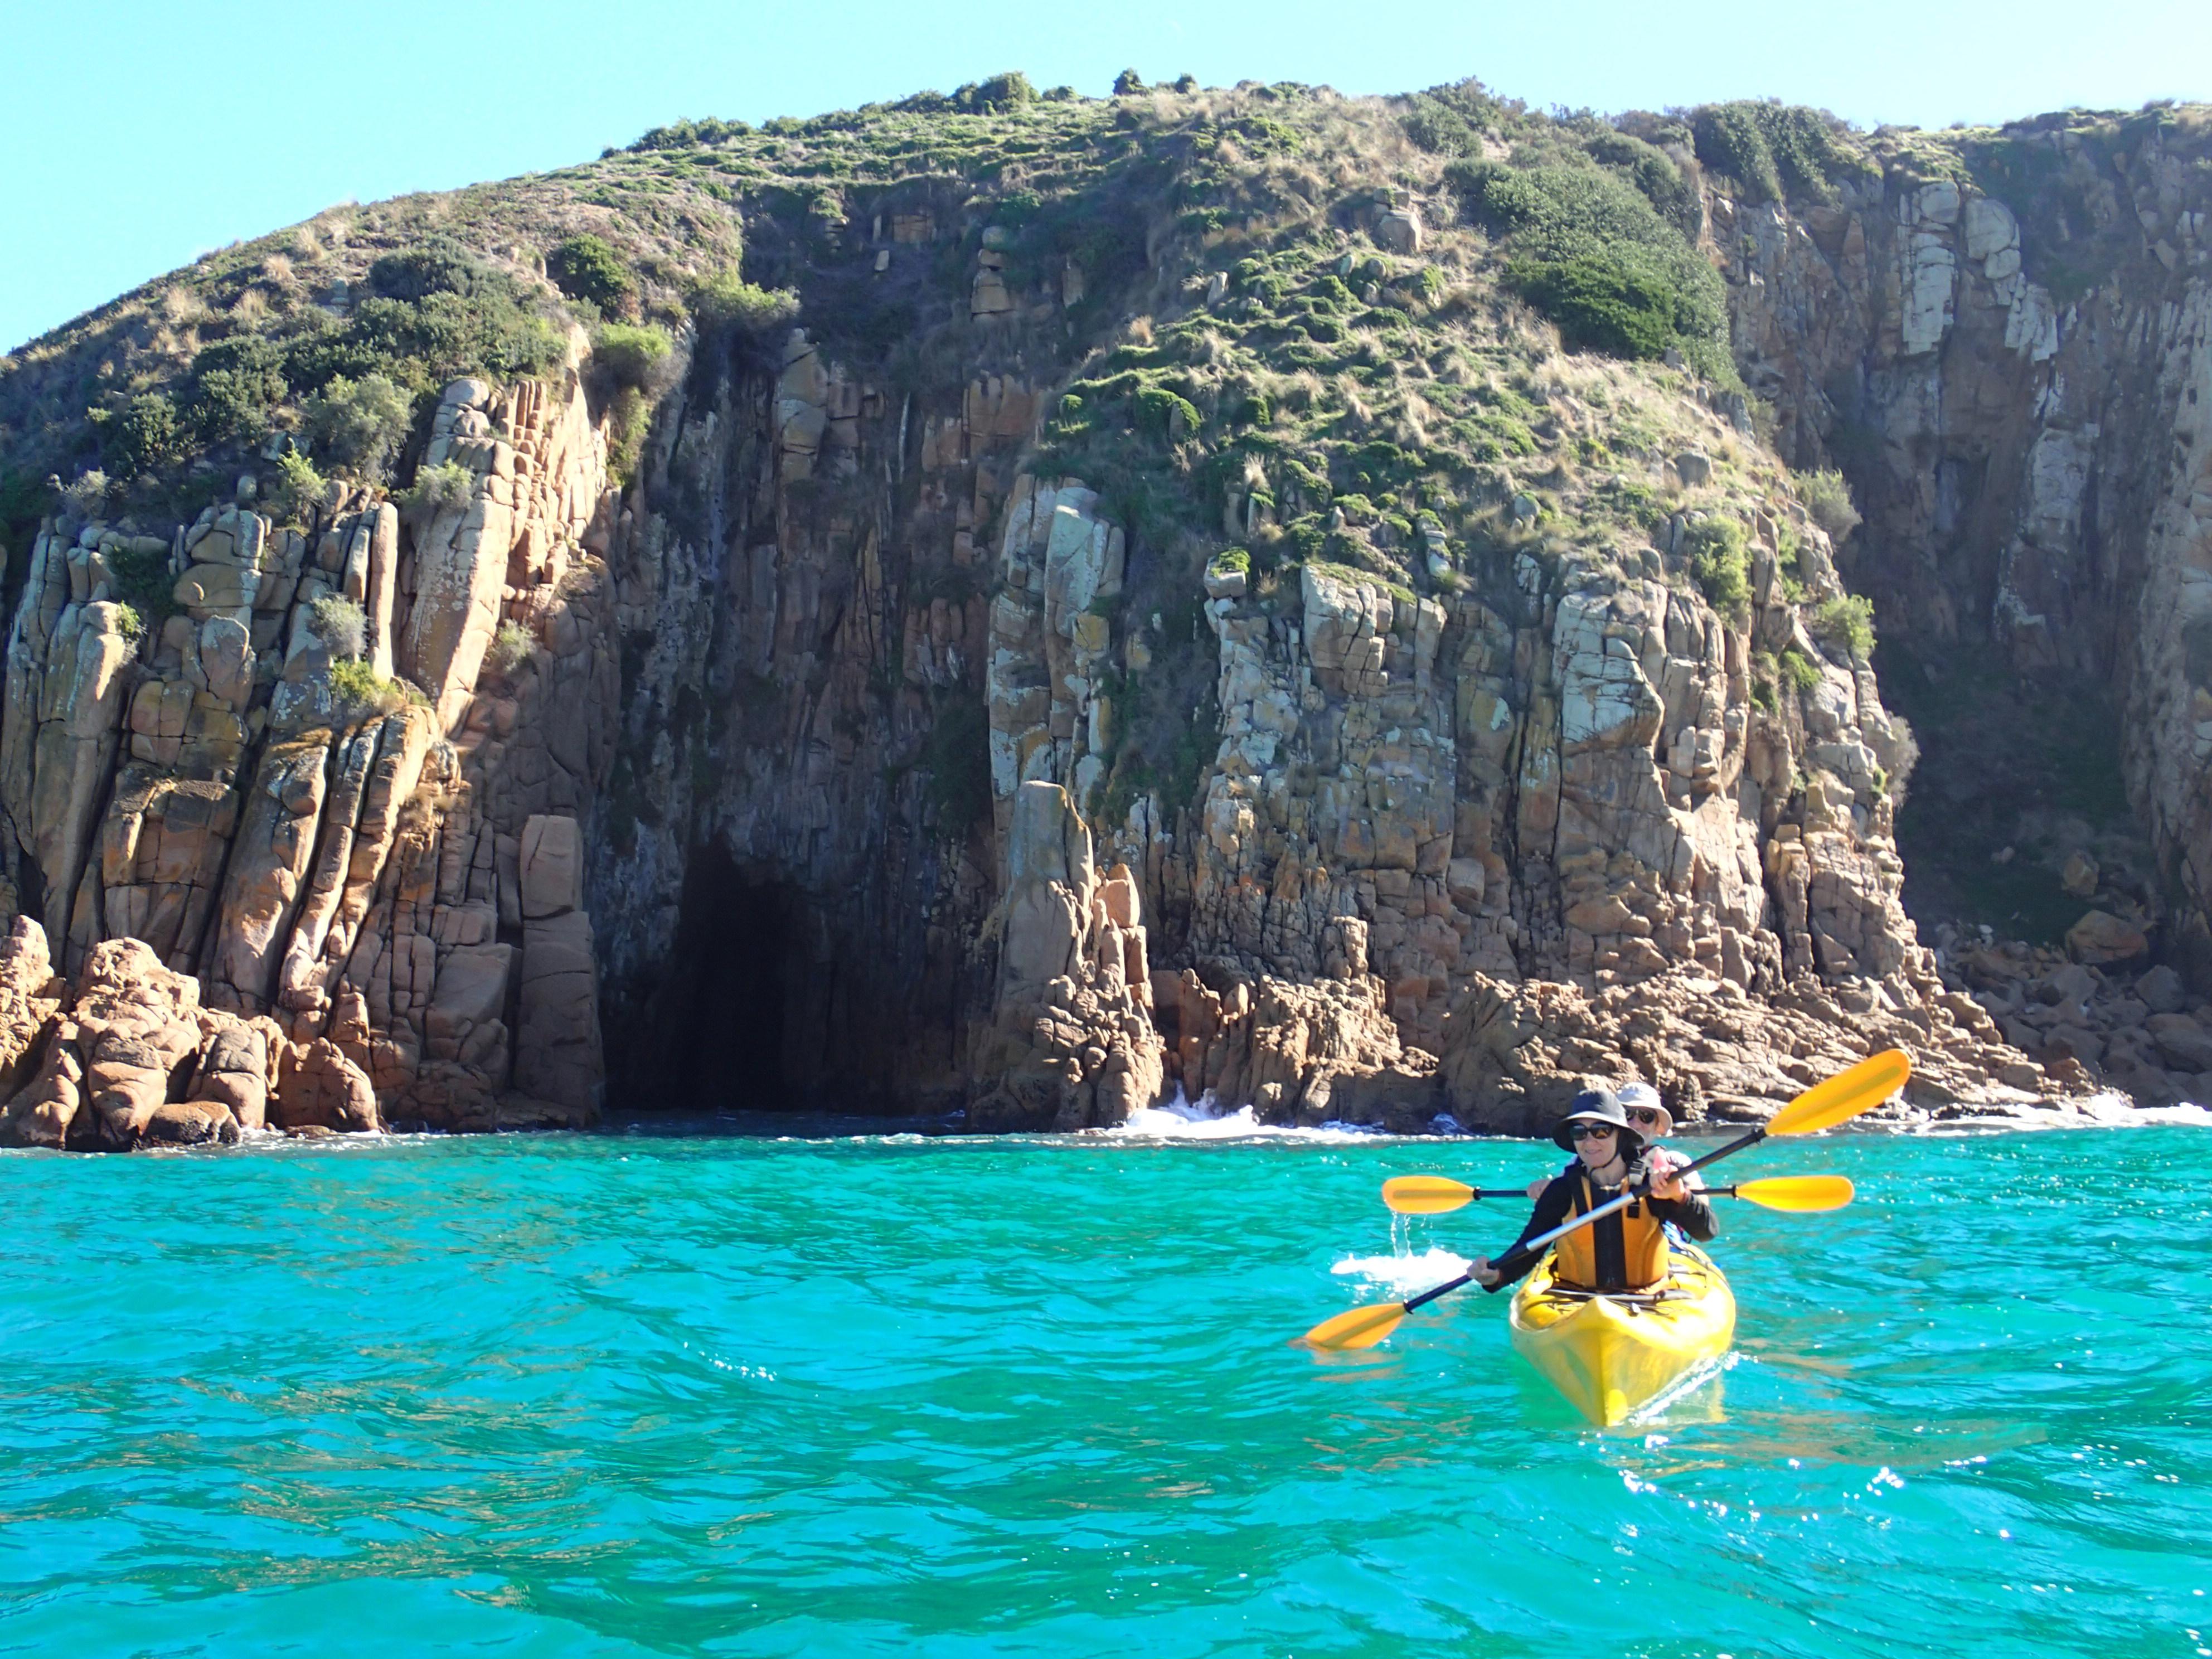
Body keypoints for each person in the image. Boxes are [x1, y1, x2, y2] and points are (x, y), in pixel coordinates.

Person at [1470, 1086, 1716, 1295]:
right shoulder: (1563, 1190)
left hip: (1648, 1298)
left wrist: (1680, 1197)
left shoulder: (1648, 1185)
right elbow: (1528, 1250)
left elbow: (1706, 1231)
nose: (1590, 1142)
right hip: (1578, 1298)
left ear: (1620, 1135)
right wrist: (1496, 1276)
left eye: (1601, 1131)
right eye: (1580, 1133)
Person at [1522, 1078, 1699, 1199]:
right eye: (1628, 1114)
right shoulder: (1583, 1161)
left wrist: (1680, 1194)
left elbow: (1702, 1207)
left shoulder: (1676, 1162)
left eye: (1646, 1116)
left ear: (1656, 1125)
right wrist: (1546, 1189)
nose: (1636, 1124)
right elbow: (1560, 1193)